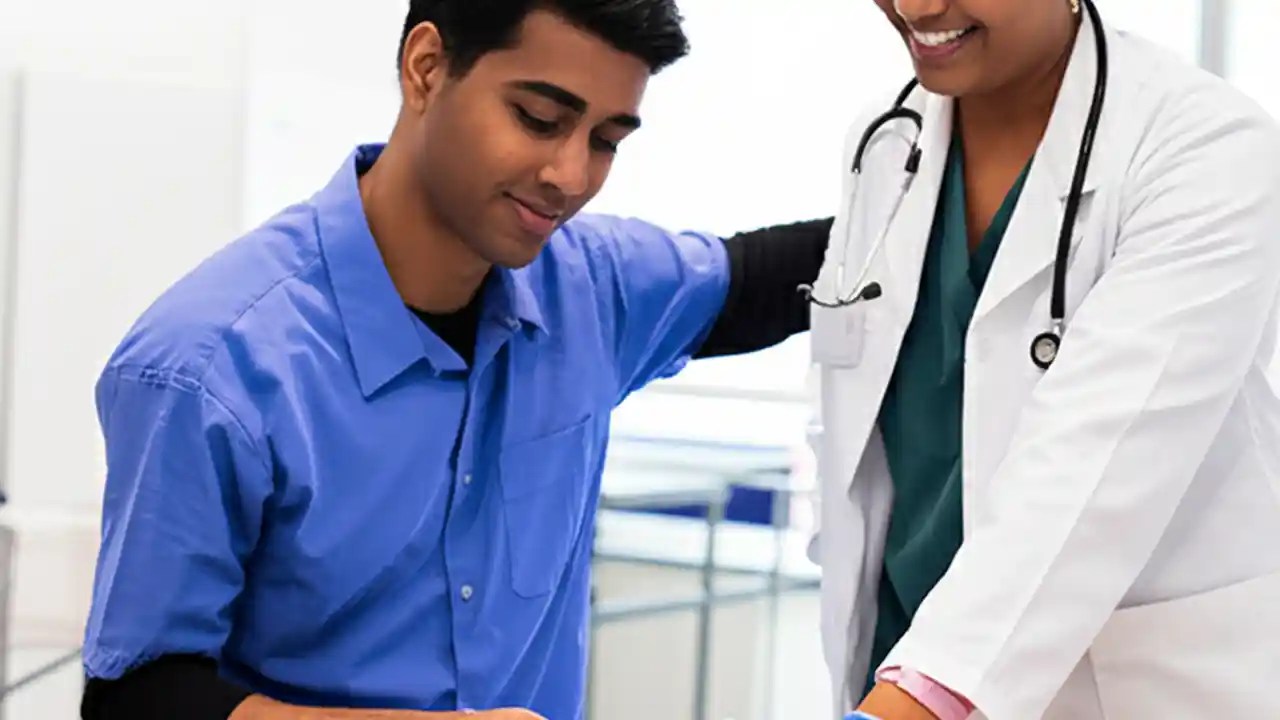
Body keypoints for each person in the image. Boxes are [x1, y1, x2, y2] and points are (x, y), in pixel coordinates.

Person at [78, 1, 834, 719]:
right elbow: (137, 698)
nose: (571, 177)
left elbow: (782, 274)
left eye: (606, 141)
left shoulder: (591, 287)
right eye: (539, 119)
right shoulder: (208, 367)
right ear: (427, 67)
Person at [810, 0, 1280, 719]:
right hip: (901, 661)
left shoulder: (1207, 148)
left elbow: (1090, 476)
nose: (915, 6)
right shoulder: (882, 142)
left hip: (1120, 687)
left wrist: (914, 701)